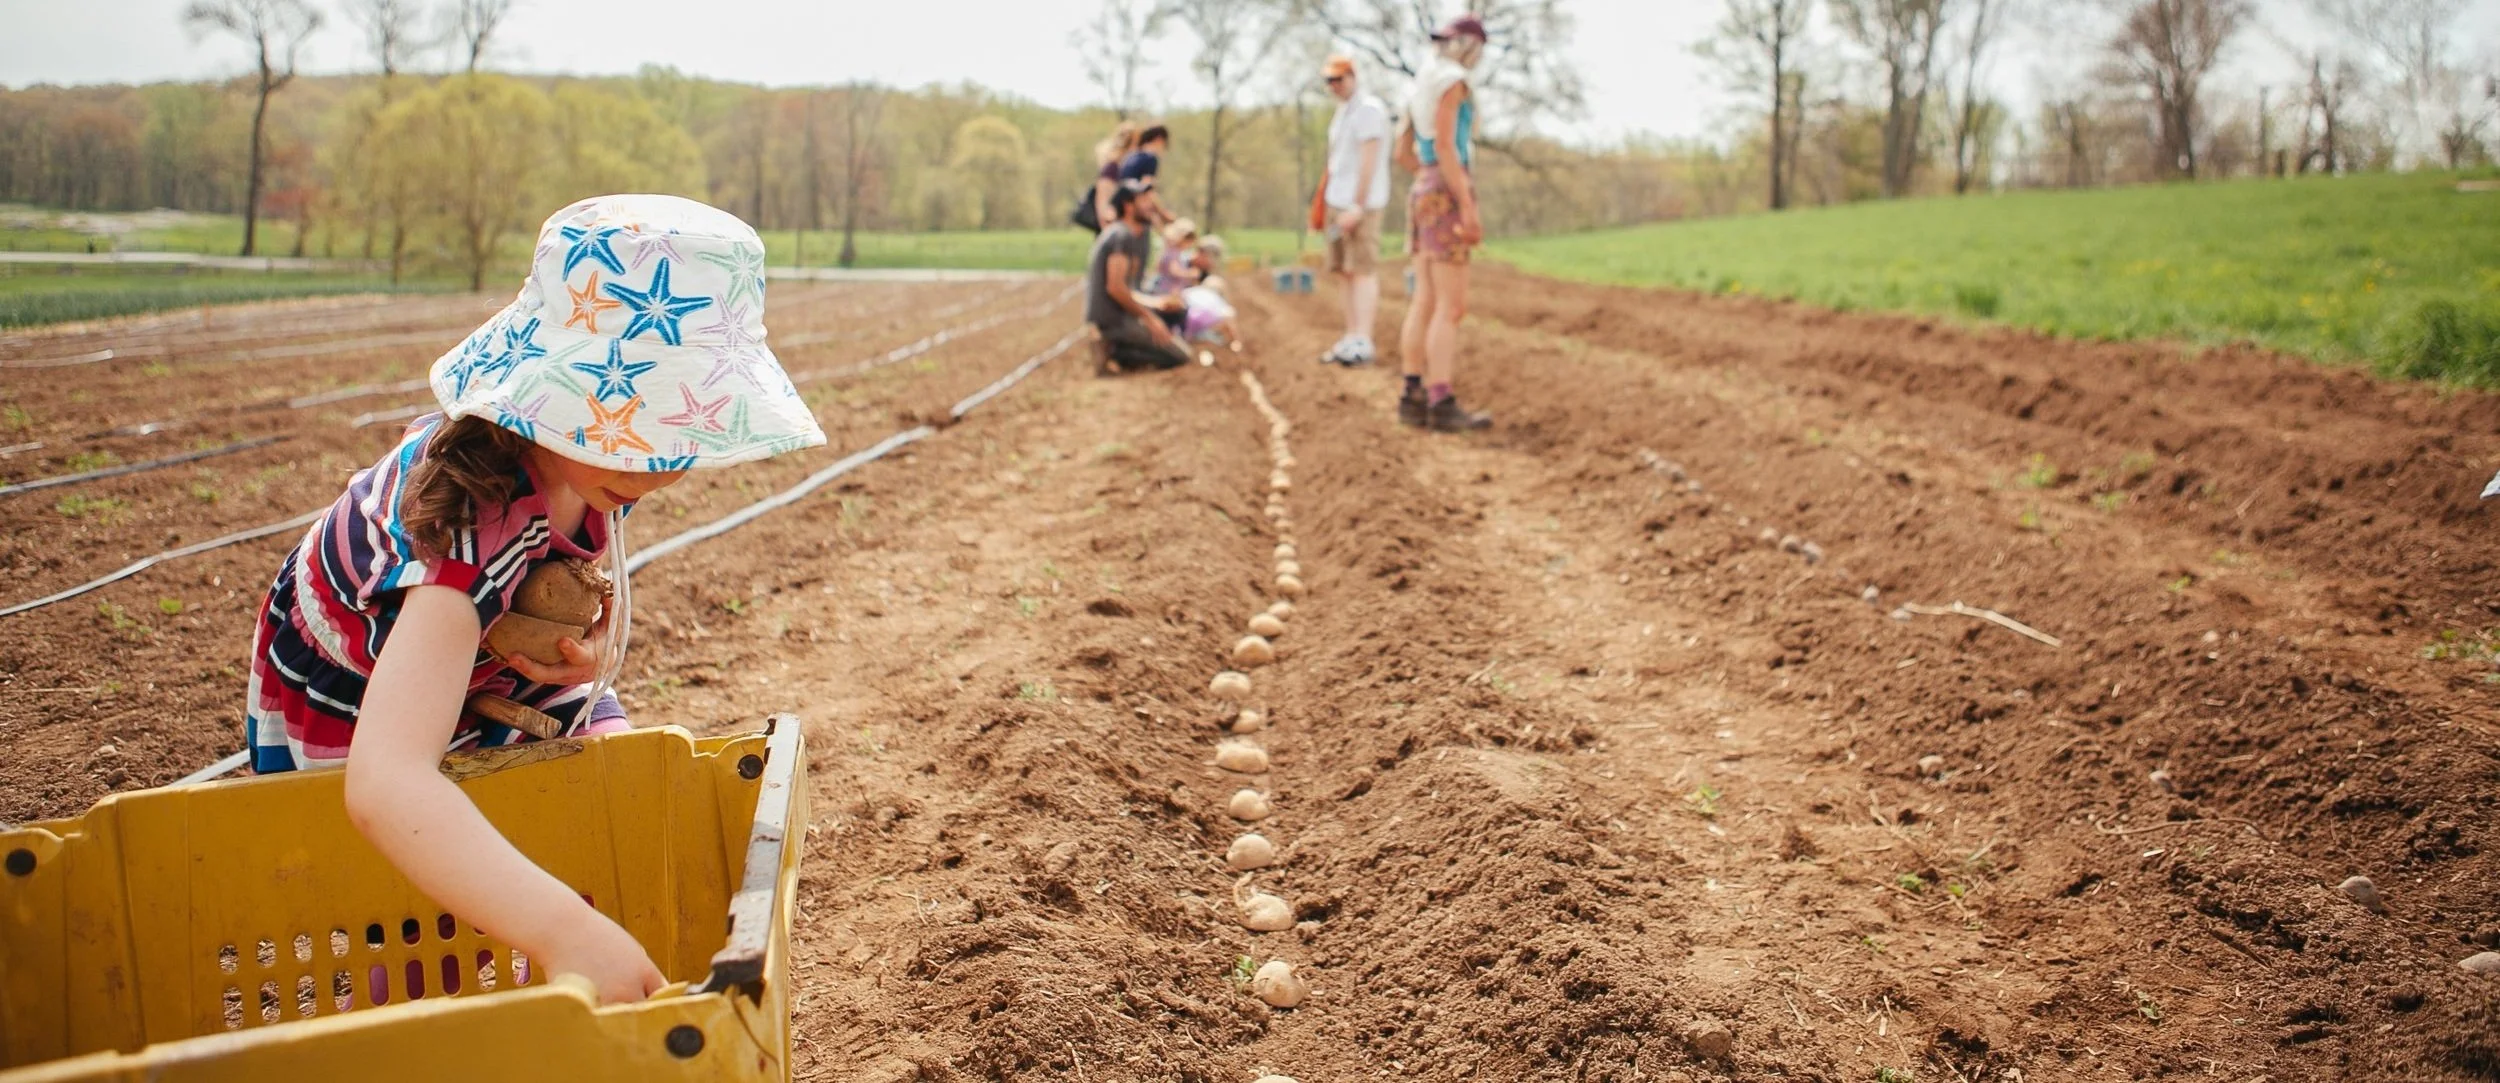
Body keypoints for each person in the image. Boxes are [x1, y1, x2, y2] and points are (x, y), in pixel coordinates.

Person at [242, 193, 827, 1006]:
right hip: (363, 707)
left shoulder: (585, 463)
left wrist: (590, 643)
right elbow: (385, 783)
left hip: (487, 671)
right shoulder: (470, 544)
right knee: (437, 930)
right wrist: (567, 934)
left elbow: (592, 558)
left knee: (610, 809)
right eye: (619, 423)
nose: (649, 465)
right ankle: (399, 1022)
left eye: (673, 433)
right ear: (549, 394)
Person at [1393, 13, 1492, 431]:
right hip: (1447, 187)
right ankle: (1441, 399)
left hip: (1424, 185)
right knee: (1451, 306)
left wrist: (1426, 178)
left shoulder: (1420, 83)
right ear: (1471, 45)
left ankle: (1411, 395)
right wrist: (1465, 205)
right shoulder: (1453, 81)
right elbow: (1449, 147)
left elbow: (1402, 151)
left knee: (1425, 300)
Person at [1314, 54, 1392, 367]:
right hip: (1337, 200)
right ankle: (1350, 335)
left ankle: (1364, 339)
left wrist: (1358, 206)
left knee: (1361, 270)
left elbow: (1368, 161)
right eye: (1329, 80)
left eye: (1339, 79)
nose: (1334, 86)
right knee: (1344, 271)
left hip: (1361, 204)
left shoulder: (1369, 110)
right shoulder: (1341, 113)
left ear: (1353, 77)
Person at [1086, 180, 1190, 372]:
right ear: (1128, 206)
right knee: (1180, 356)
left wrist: (1156, 303)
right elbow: (1115, 288)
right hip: (1114, 319)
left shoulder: (1128, 235)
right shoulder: (1120, 236)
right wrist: (1150, 318)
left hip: (1121, 314)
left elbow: (1129, 289)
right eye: (1143, 200)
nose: (1150, 205)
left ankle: (1122, 347)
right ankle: (1115, 350)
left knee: (1175, 311)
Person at [1081, 121, 1143, 233]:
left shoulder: (1122, 167)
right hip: (1111, 229)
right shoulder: (1112, 168)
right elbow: (1103, 203)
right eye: (1137, 144)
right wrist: (1109, 230)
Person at [1117, 124, 1175, 227]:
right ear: (1158, 139)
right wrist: (1163, 214)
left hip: (1121, 210)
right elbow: (1147, 190)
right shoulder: (1150, 158)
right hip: (1137, 214)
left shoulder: (1131, 156)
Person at [1151, 217, 1203, 296]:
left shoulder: (1177, 253)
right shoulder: (1173, 252)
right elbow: (1174, 271)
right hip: (1165, 292)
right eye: (1188, 238)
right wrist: (1190, 273)